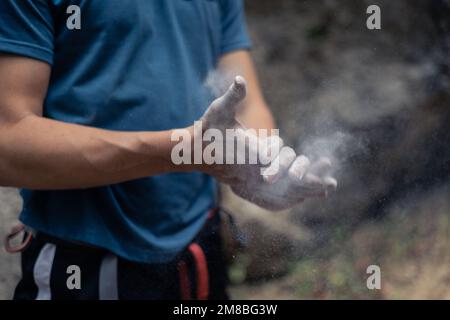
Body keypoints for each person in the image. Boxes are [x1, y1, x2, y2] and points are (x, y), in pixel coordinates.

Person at [0, 0, 336, 300]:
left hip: (201, 250)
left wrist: (263, 168)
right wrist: (178, 150)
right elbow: (9, 143)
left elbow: (245, 105)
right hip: (90, 260)